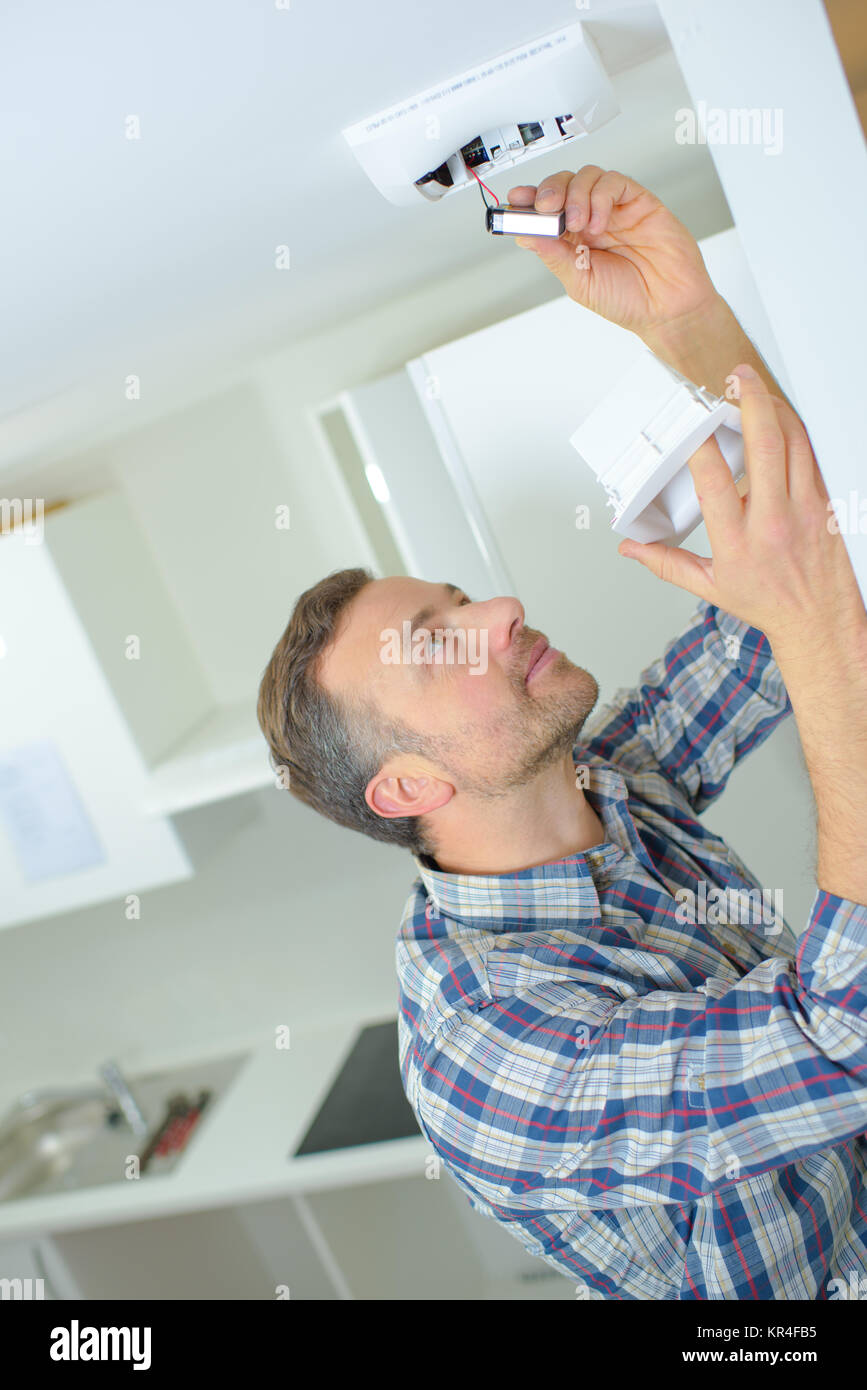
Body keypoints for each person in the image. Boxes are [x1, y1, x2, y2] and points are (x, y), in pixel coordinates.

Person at [257, 167, 867, 1299]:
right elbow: (842, 1040)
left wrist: (689, 322)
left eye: (458, 595)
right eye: (441, 641)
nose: (498, 610)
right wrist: (817, 621)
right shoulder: (495, 1052)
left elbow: (796, 577)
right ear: (406, 787)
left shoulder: (597, 785)